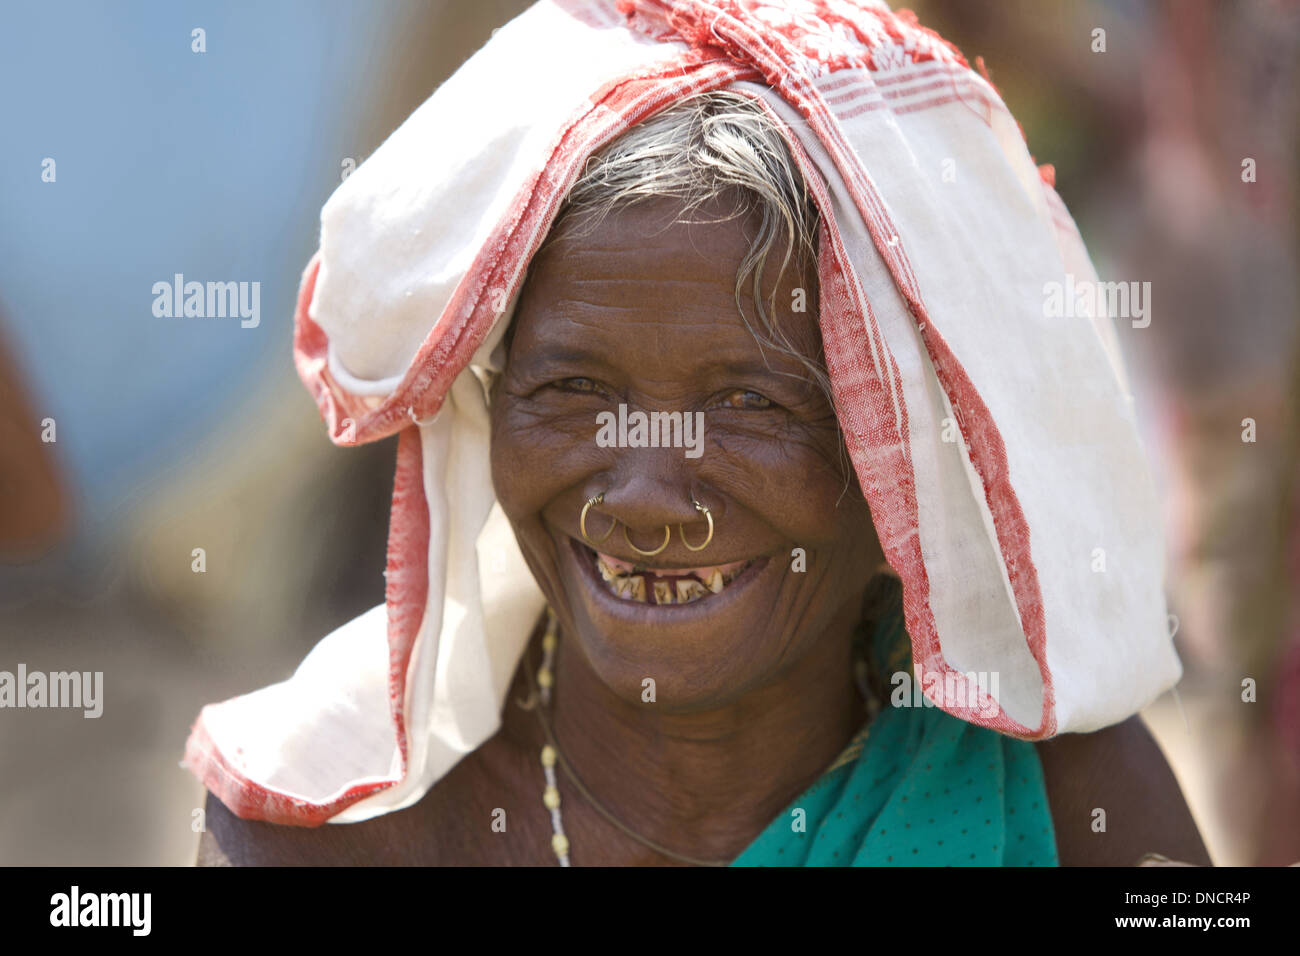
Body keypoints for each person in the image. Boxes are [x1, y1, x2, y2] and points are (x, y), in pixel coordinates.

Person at [189, 0, 1209, 866]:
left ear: (911, 461)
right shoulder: (325, 829)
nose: (641, 497)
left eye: (752, 404)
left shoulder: (1071, 798)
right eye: (573, 388)